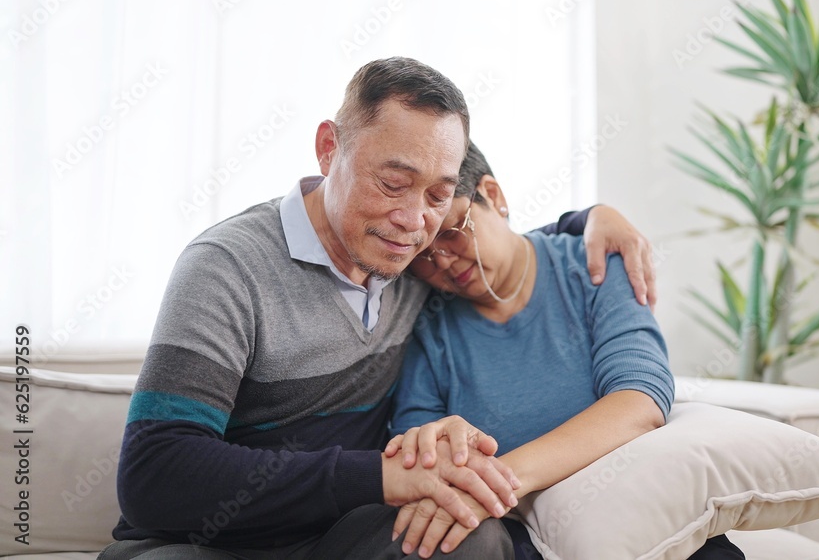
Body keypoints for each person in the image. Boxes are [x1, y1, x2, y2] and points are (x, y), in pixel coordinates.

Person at [100, 57, 657, 559]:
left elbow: (502, 247)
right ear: (328, 148)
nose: (416, 222)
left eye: (437, 196)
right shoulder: (226, 268)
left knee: (471, 539)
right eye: (393, 184)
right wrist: (381, 476)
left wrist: (593, 218)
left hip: (335, 537)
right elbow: (155, 476)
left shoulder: (415, 266)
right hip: (206, 544)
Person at [388, 143, 745, 559]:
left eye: (450, 232)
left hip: (641, 508)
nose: (444, 261)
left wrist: (504, 480)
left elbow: (640, 401)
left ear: (495, 197)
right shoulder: (431, 327)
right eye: (423, 255)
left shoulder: (593, 268)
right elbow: (419, 452)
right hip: (520, 534)